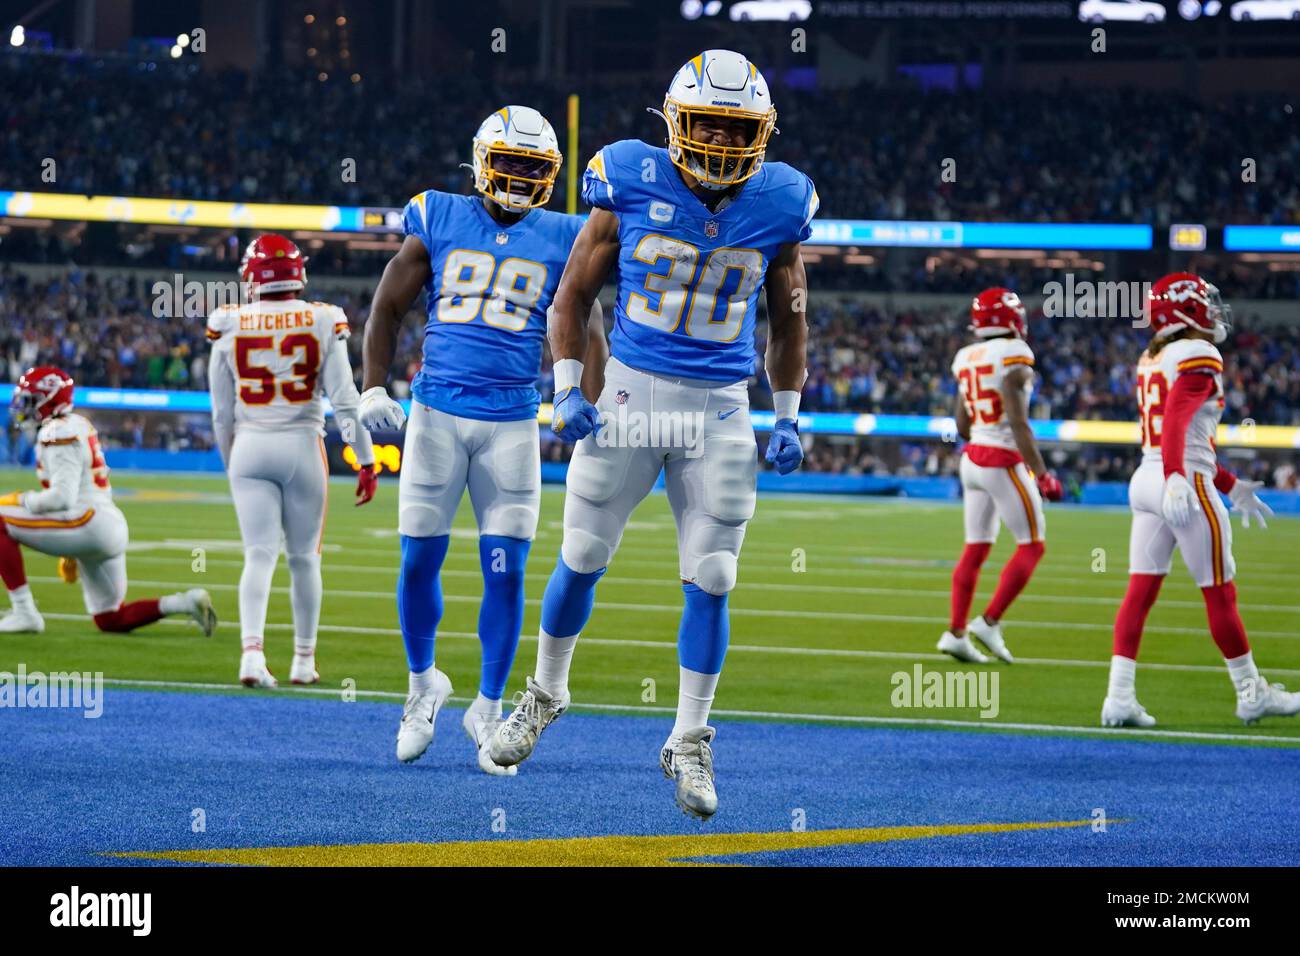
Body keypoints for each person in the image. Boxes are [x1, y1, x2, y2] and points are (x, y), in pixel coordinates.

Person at [490, 51, 818, 819]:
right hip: (632, 394)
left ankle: (690, 738)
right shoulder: (628, 176)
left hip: (721, 407)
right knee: (581, 555)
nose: (721, 142)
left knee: (715, 574)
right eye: (708, 123)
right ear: (674, 119)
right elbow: (570, 294)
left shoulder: (780, 203)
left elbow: (793, 319)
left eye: (738, 129)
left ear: (762, 132)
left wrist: (790, 411)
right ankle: (545, 692)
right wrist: (567, 387)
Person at [359, 106, 605, 774]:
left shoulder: (565, 233)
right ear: (481, 162)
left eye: (535, 167)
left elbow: (591, 328)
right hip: (436, 416)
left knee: (505, 570)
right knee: (417, 561)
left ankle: (488, 706)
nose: (523, 176)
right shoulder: (437, 212)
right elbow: (386, 307)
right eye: (512, 162)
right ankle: (421, 687)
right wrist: (373, 386)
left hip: (512, 423)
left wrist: (579, 398)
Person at [1102, 272, 1295, 728]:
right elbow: (1175, 423)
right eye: (1206, 303)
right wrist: (1177, 479)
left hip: (1149, 479)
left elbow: (1184, 437)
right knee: (1221, 594)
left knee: (1141, 590)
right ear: (1186, 311)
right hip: (1180, 482)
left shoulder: (1153, 357)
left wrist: (1229, 484)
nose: (1214, 311)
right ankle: (1252, 694)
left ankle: (1119, 697)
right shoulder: (1198, 352)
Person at [207, 234, 378, 689]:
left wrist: (232, 461)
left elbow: (221, 413)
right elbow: (345, 399)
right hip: (303, 445)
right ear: (297, 273)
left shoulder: (229, 322)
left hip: (250, 444)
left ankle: (251, 655)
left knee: (258, 555)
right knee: (304, 559)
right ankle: (303, 660)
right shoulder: (323, 318)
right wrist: (365, 458)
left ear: (251, 276)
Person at [0, 366, 215, 636]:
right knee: (110, 619)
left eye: (30, 400)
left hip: (87, 522)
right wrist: (70, 548)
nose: (24, 407)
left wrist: (22, 499)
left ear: (49, 399)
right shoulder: (77, 424)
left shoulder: (57, 432)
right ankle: (184, 601)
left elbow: (61, 498)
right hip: (104, 524)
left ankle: (24, 612)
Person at [940, 288, 1062, 665]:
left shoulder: (966, 357)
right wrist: (1042, 474)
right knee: (1032, 544)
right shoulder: (1016, 354)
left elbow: (961, 424)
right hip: (1001, 460)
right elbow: (1018, 421)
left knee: (975, 548)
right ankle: (989, 622)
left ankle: (956, 632)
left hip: (972, 459)